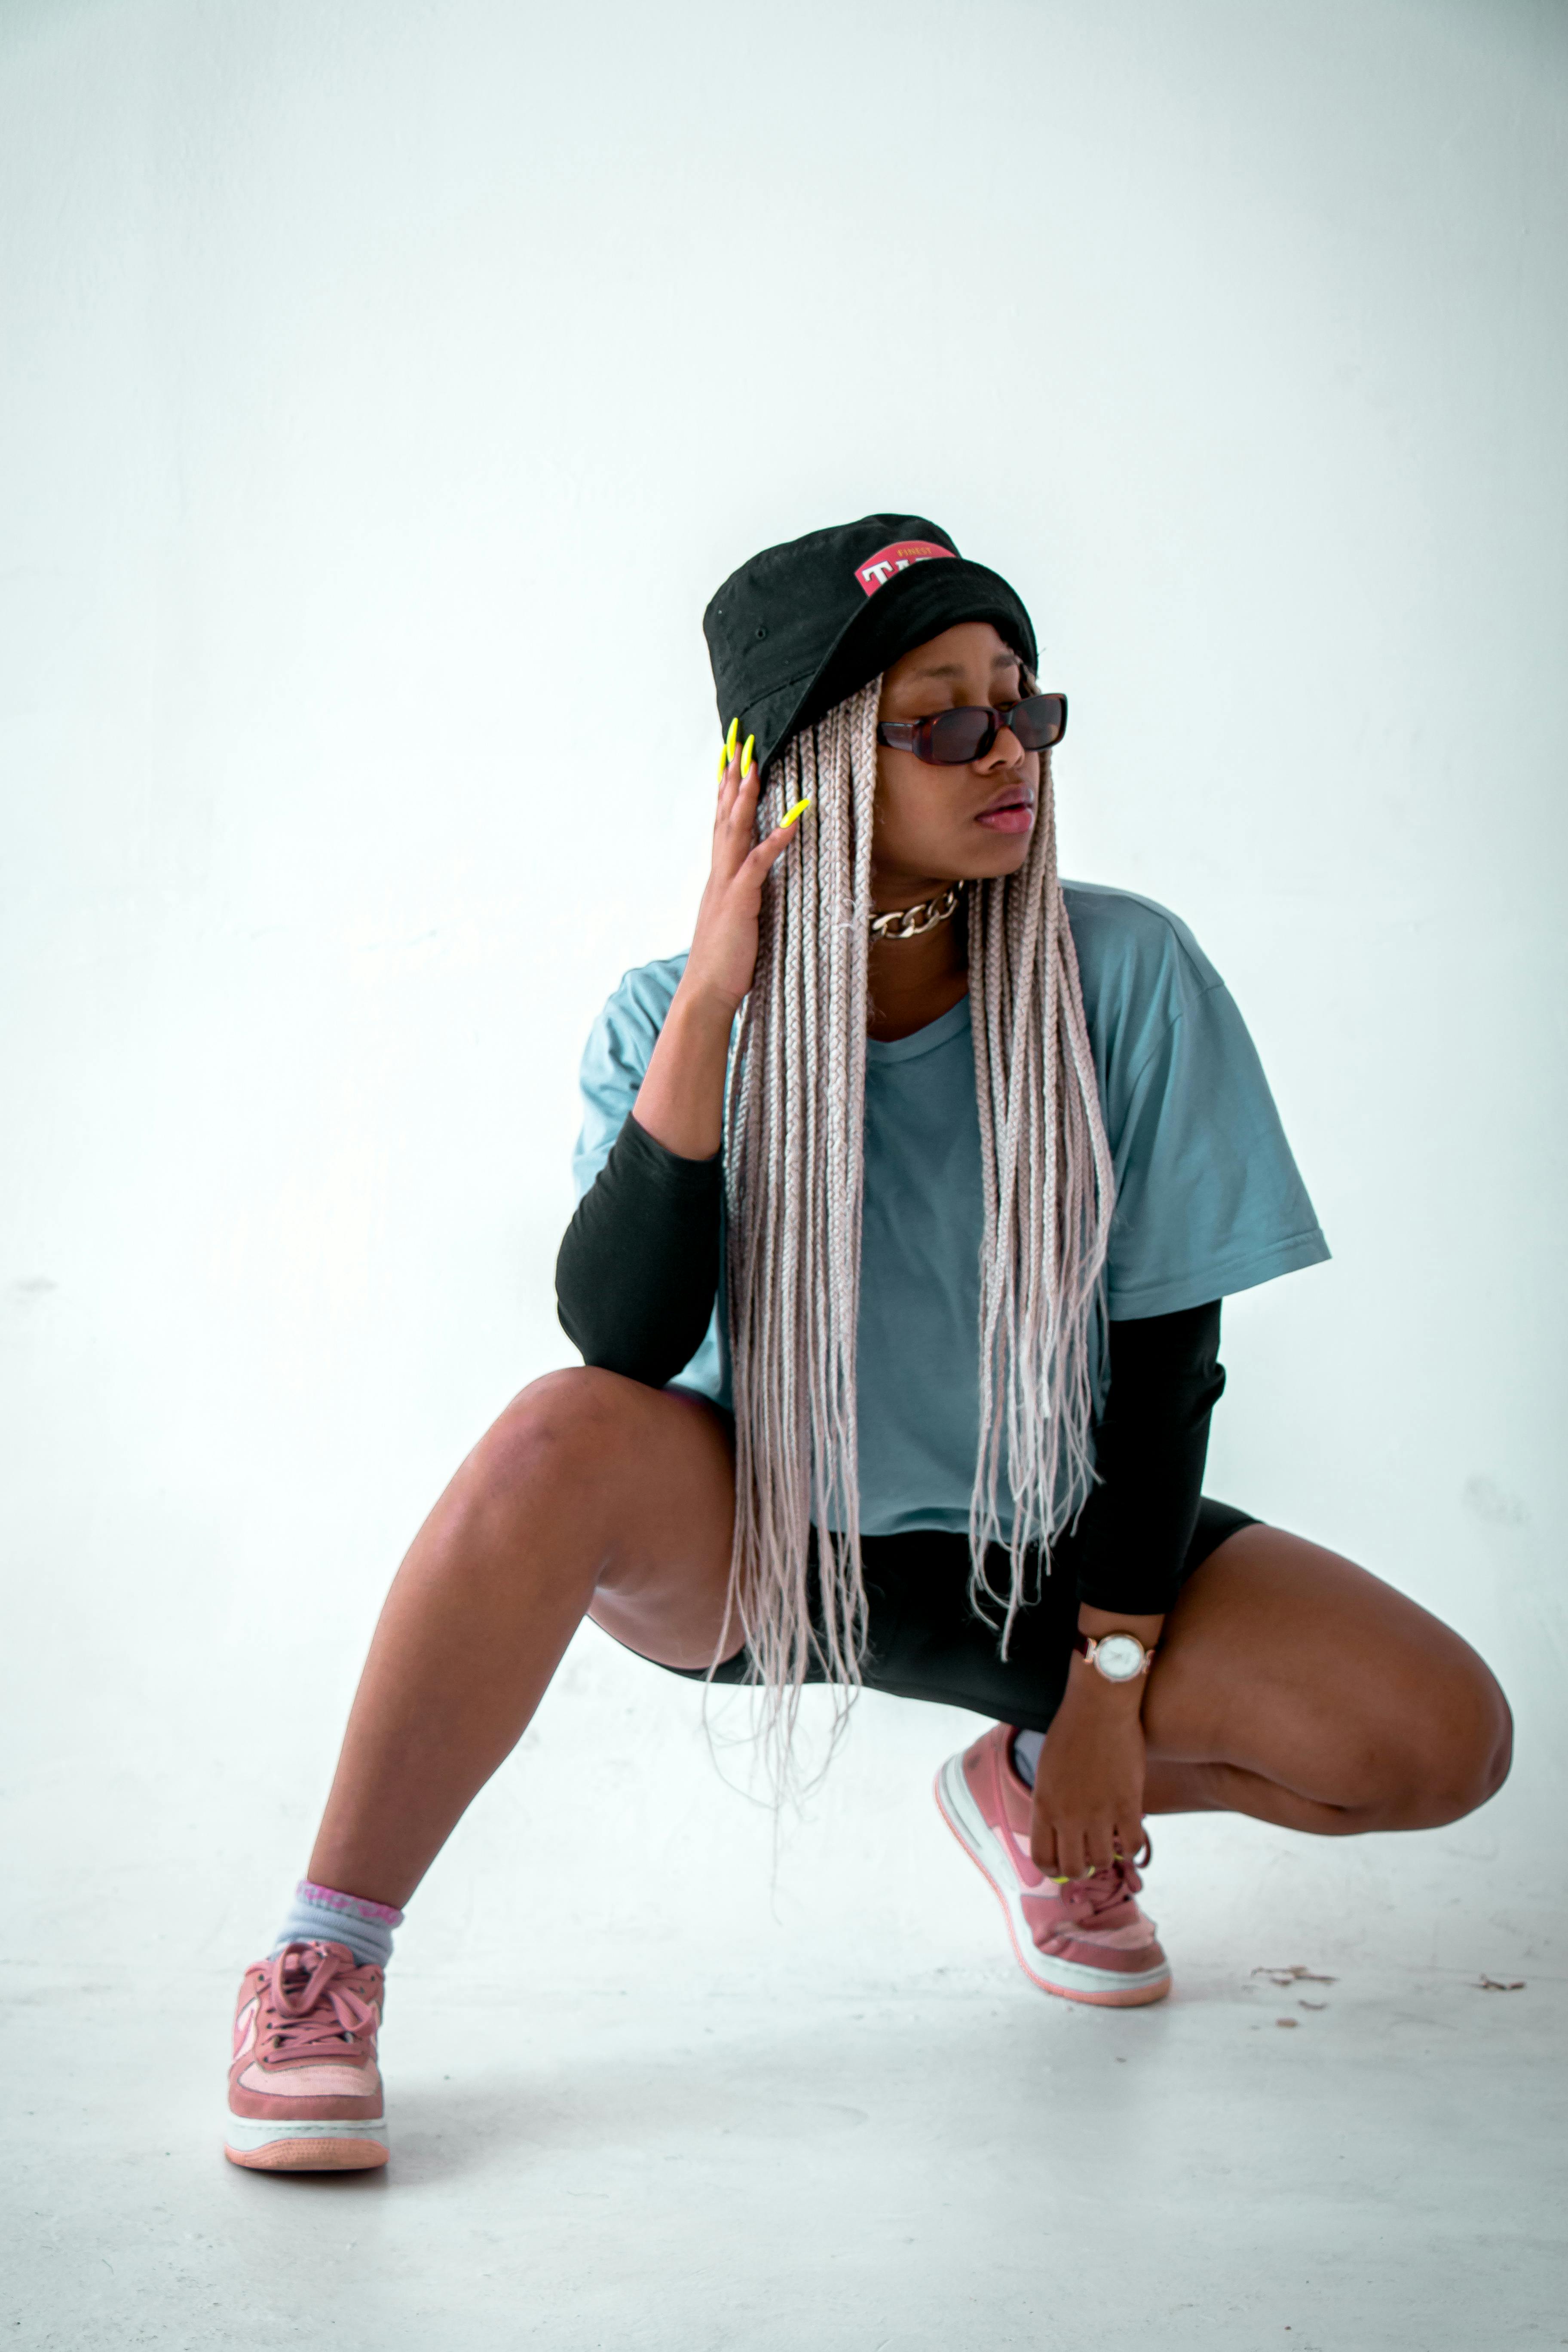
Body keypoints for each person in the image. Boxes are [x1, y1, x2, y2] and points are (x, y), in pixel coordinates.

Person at [223, 514, 1512, 2174]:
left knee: (1440, 1737)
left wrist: (1107, 1693)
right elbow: (624, 1340)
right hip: (758, 1544)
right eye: (946, 720)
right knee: (555, 1430)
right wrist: (715, 999)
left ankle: (1025, 1790)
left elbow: (1164, 1366)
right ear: (806, 770)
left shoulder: (1125, 972)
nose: (1009, 749)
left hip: (1044, 1552)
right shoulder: (665, 1015)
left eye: (1023, 705)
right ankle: (324, 1961)